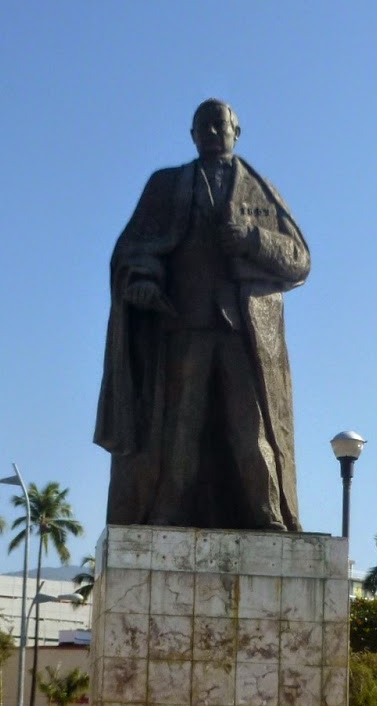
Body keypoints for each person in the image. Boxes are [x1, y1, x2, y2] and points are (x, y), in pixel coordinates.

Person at [96, 99, 311, 531]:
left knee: (251, 427)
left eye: (220, 124)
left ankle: (266, 512)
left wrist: (252, 239)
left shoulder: (260, 190)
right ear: (192, 135)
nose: (213, 132)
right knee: (179, 428)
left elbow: (299, 259)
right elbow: (134, 249)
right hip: (183, 325)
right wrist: (145, 280)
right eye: (203, 126)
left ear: (237, 130)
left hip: (244, 333)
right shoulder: (167, 185)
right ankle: (167, 509)